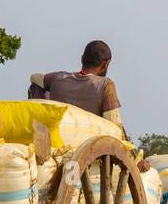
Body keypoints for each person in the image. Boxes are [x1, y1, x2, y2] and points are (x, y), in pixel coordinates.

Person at [30, 40, 149, 170]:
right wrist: (135, 160)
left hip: (55, 147)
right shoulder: (105, 85)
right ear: (105, 65)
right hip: (87, 155)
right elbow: (116, 127)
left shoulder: (58, 78)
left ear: (82, 58)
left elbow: (35, 78)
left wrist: (43, 104)